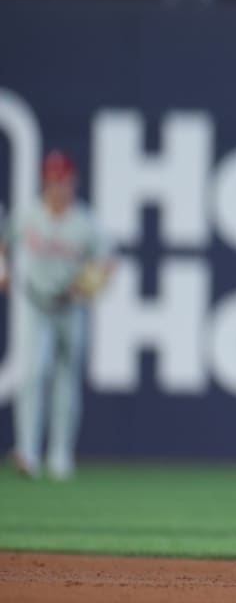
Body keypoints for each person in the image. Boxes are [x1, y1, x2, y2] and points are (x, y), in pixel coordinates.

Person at [1, 151, 114, 481]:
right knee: (35, 372)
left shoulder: (84, 222)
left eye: (63, 181)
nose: (58, 187)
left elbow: (107, 263)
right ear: (44, 182)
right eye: (52, 181)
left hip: (71, 307)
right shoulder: (29, 215)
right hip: (37, 303)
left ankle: (61, 455)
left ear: (72, 182)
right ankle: (28, 451)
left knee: (66, 379)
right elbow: (3, 242)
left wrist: (89, 286)